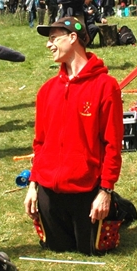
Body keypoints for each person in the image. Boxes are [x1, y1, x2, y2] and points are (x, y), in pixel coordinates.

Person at [25, 17, 122, 255]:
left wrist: (106, 190)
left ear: (72, 37)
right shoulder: (46, 90)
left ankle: (118, 205)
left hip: (86, 189)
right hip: (49, 189)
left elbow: (112, 144)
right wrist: (33, 184)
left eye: (53, 38)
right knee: (56, 248)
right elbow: (40, 143)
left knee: (91, 250)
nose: (48, 44)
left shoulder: (106, 86)